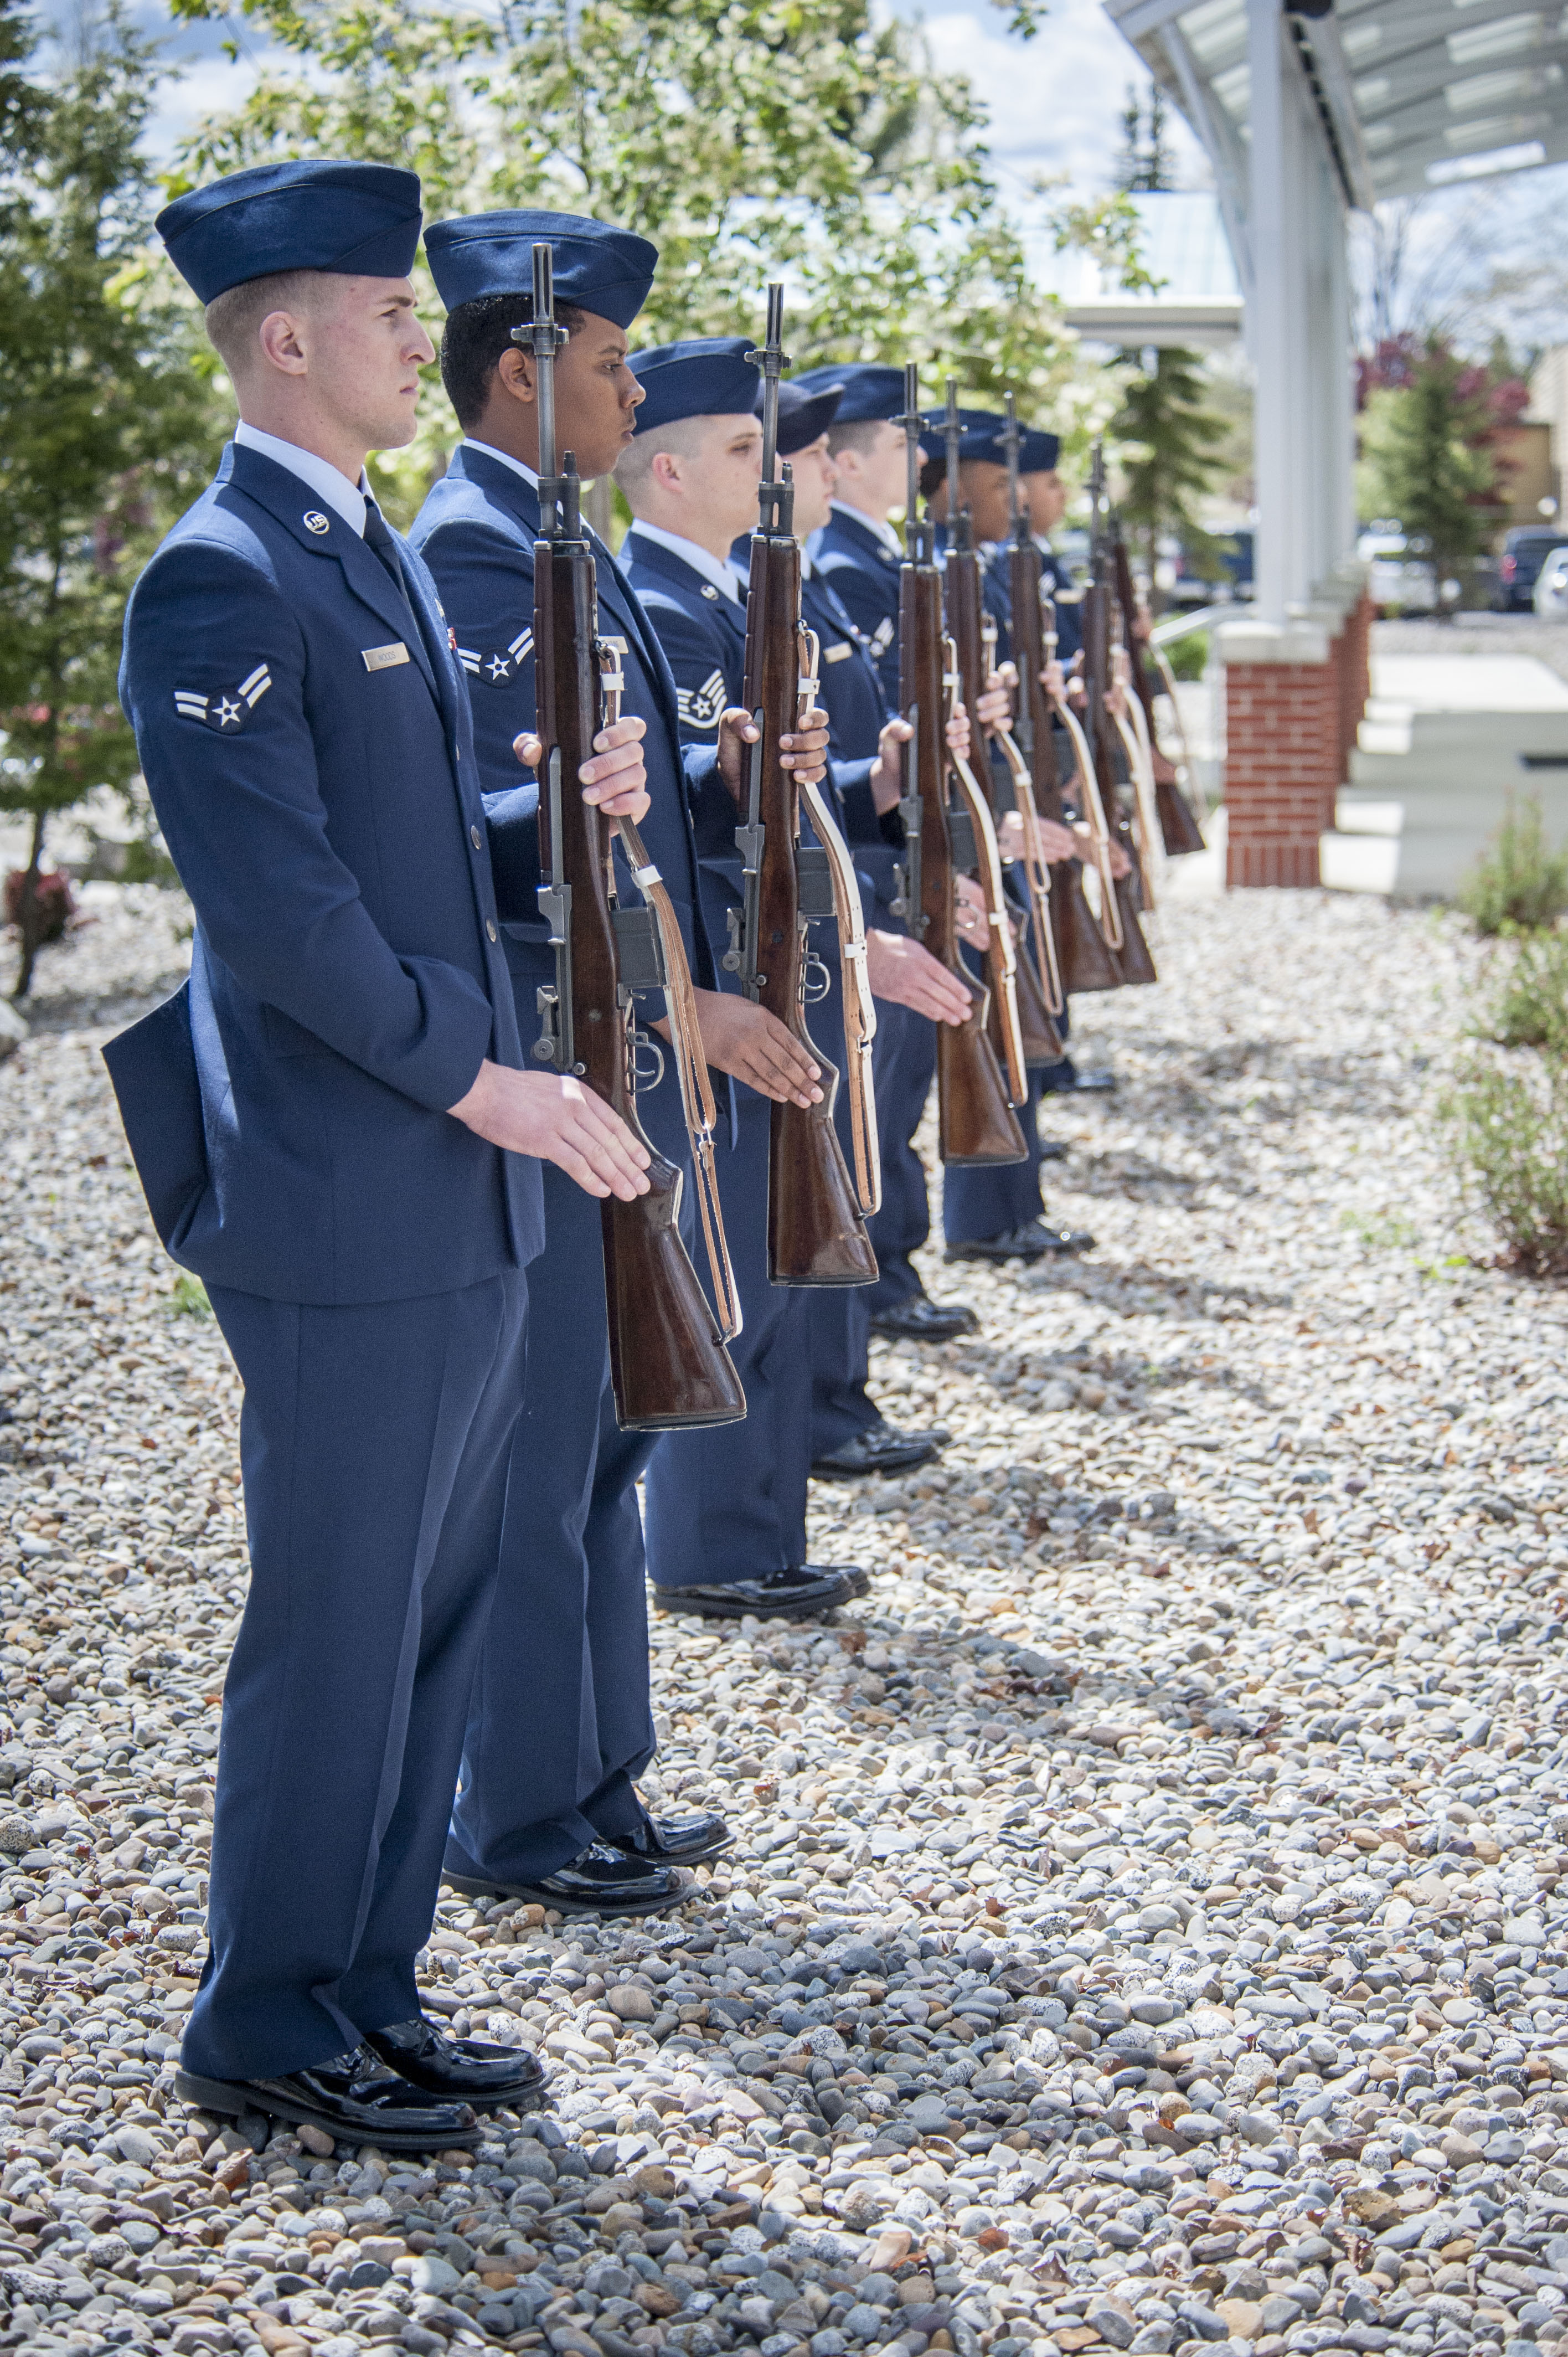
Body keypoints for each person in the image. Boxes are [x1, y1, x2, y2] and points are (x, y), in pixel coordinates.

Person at [106, 161, 653, 2149]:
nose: (429, 339)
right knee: (338, 1618)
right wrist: (491, 1082)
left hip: (450, 1181)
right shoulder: (222, 574)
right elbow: (287, 916)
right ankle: (262, 2016)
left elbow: (424, 865)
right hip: (356, 1185)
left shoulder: (376, 553)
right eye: (393, 312)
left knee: (431, 1607)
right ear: (285, 340)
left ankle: (371, 1985)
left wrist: (552, 820)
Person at [408, 210, 829, 1905]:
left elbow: (631, 818)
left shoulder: (553, 539)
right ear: (523, 374)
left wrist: (731, 774)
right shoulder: (469, 552)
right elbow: (497, 840)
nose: (632, 387)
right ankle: (518, 1815)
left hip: (619, 1042)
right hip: (556, 1042)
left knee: (608, 1440)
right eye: (607, 364)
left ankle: (596, 1778)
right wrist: (681, 1001)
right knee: (551, 1448)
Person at [618, 339, 964, 1619]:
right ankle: (715, 1544)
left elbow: (756, 812)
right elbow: (684, 840)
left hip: (777, 967)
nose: (782, 476)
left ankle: (755, 1537)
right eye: (749, 452)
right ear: (667, 472)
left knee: (776, 1261)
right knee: (738, 1266)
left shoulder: (715, 594)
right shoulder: (663, 604)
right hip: (724, 984)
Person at [749, 382, 973, 1480]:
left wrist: (879, 774)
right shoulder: (792, 576)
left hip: (854, 893)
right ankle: (816, 1418)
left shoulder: (817, 577)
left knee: (854, 1147)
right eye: (798, 456)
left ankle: (833, 1404)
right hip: (814, 925)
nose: (825, 472)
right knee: (826, 1161)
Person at [803, 363, 983, 1345]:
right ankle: (880, 1284)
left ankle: (888, 1274)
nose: (920, 464)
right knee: (863, 1107)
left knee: (893, 1094)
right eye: (901, 447)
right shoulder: (835, 571)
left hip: (877, 863)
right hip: (856, 883)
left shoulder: (849, 571)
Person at [919, 409, 1100, 1267]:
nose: (1025, 502)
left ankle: (1008, 1206)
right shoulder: (904, 567)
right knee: (983, 1014)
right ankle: (985, 1215)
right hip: (959, 828)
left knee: (1012, 996)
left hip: (995, 817)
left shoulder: (989, 569)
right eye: (1005, 486)